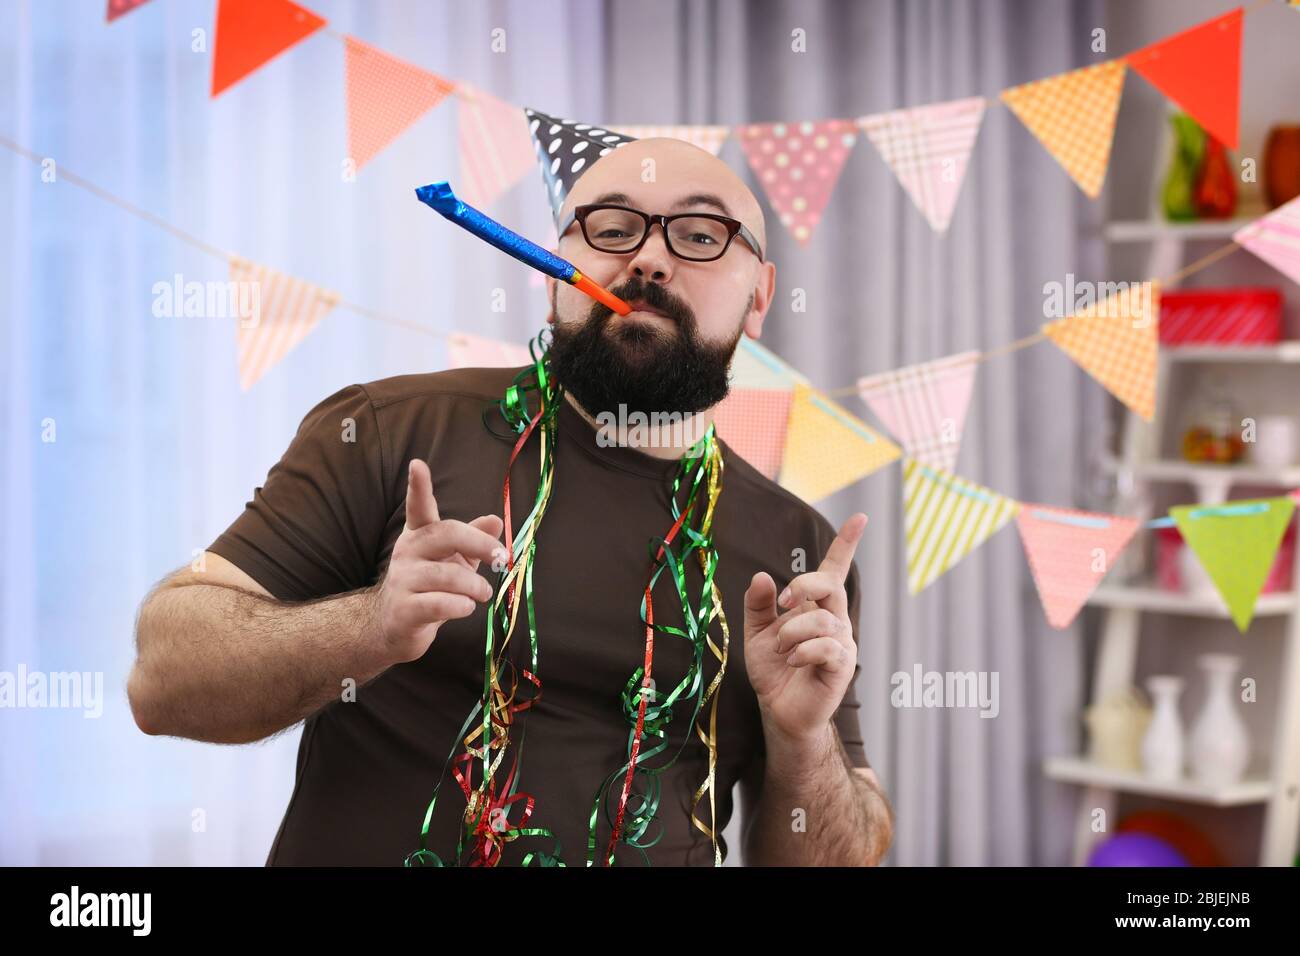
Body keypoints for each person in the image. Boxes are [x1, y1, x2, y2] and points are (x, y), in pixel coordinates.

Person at [128, 131, 894, 866]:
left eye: (699, 236)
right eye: (613, 228)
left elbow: (838, 851)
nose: (650, 260)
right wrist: (370, 628)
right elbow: (162, 680)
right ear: (554, 268)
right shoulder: (392, 431)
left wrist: (803, 743)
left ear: (759, 295)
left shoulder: (797, 548)